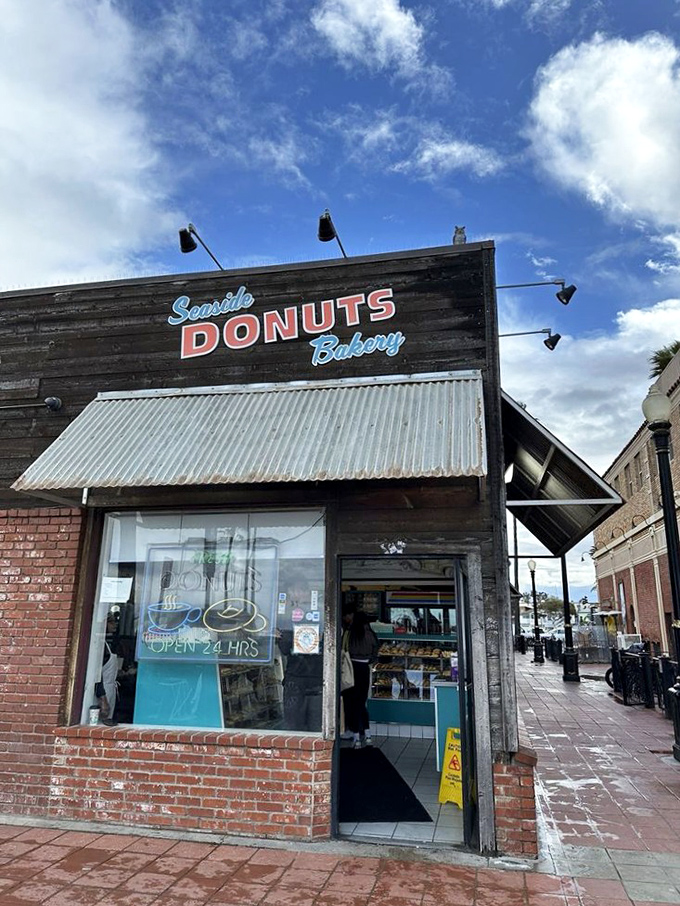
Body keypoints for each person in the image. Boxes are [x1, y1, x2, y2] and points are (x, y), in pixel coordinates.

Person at [341, 611, 379, 748]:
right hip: (365, 669)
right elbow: (376, 652)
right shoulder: (370, 634)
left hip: (351, 669)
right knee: (362, 703)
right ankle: (367, 735)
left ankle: (355, 736)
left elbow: (343, 649)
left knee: (352, 703)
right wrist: (369, 660)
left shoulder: (350, 633)